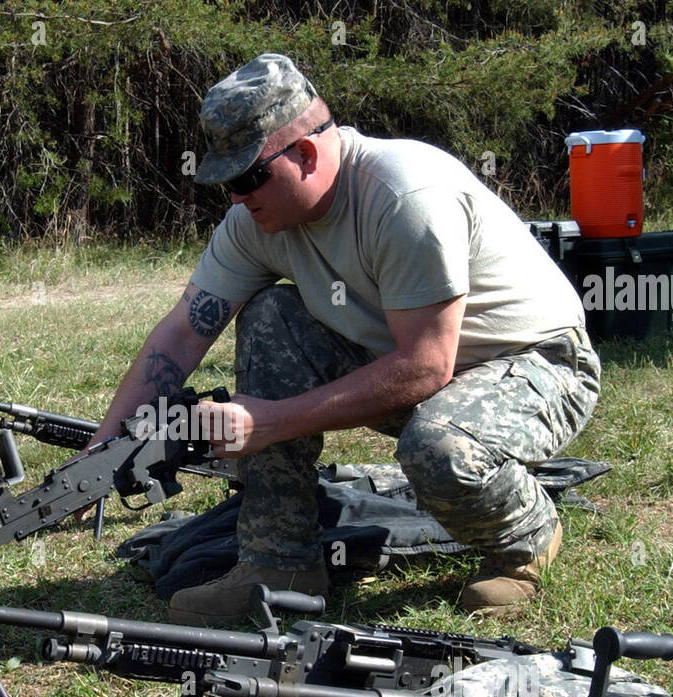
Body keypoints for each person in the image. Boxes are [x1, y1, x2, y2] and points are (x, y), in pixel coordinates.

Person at [88, 53, 600, 626]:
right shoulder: (257, 221)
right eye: (225, 183)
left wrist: (273, 421)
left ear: (305, 153)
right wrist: (101, 455)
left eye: (247, 177)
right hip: (407, 365)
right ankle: (278, 563)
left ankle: (525, 536)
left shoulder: (405, 196)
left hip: (536, 364)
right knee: (270, 316)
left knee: (439, 448)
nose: (236, 197)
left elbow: (428, 366)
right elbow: (184, 332)